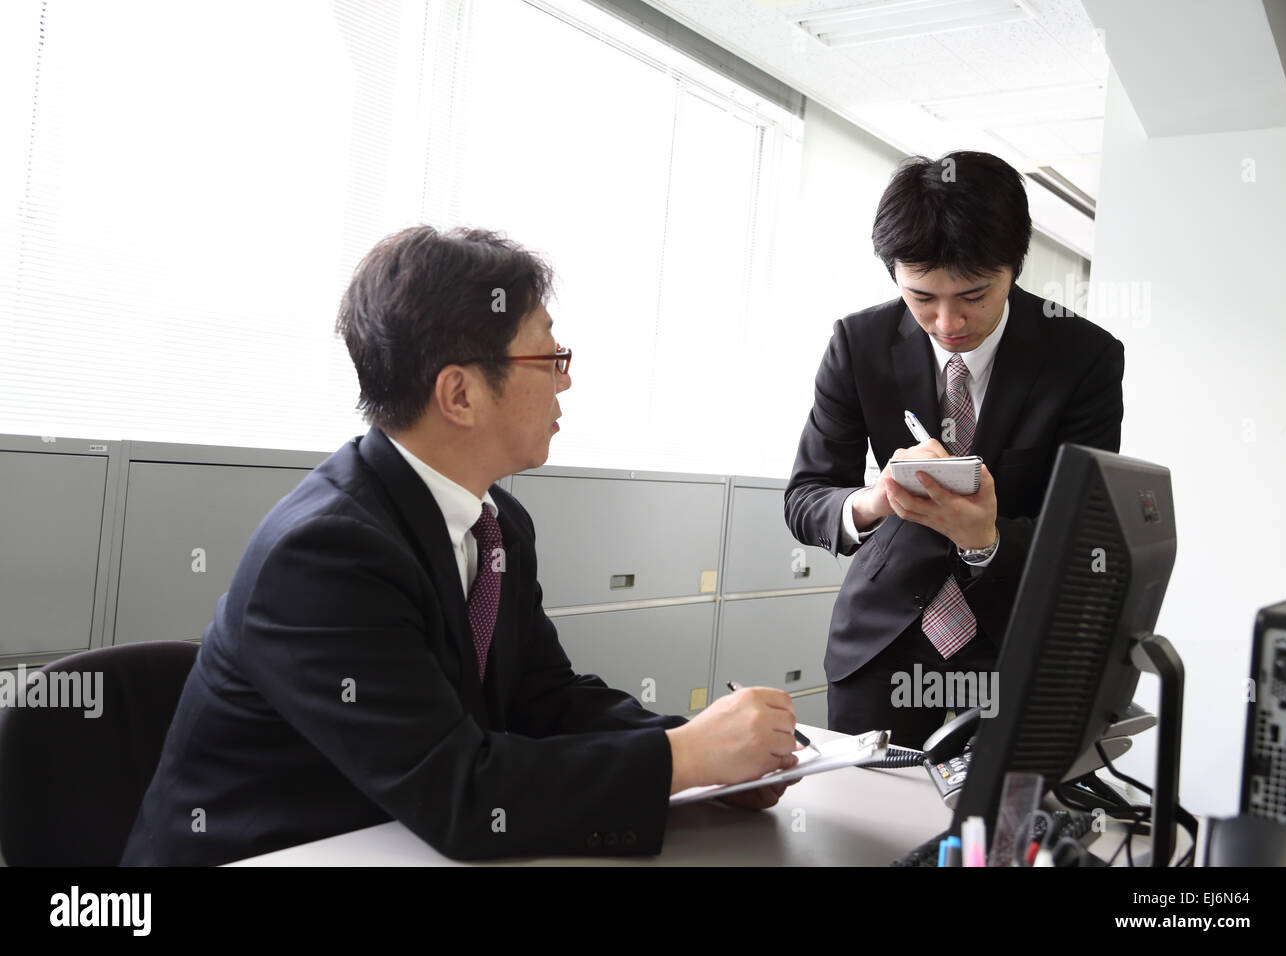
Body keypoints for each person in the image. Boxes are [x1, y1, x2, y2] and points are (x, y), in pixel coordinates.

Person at [122, 226, 799, 866]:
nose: (565, 379)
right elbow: (459, 791)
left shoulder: (496, 521)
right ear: (460, 393)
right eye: (549, 356)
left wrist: (703, 757)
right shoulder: (326, 553)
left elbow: (545, 700)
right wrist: (681, 759)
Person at [785, 151, 1124, 748]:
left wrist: (986, 540)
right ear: (894, 274)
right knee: (866, 824)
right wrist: (872, 503)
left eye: (973, 295)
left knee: (992, 835)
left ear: (1014, 268)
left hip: (1012, 640)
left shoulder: (1084, 358)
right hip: (884, 639)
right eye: (921, 298)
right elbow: (806, 497)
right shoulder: (857, 344)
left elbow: (1086, 535)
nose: (946, 322)